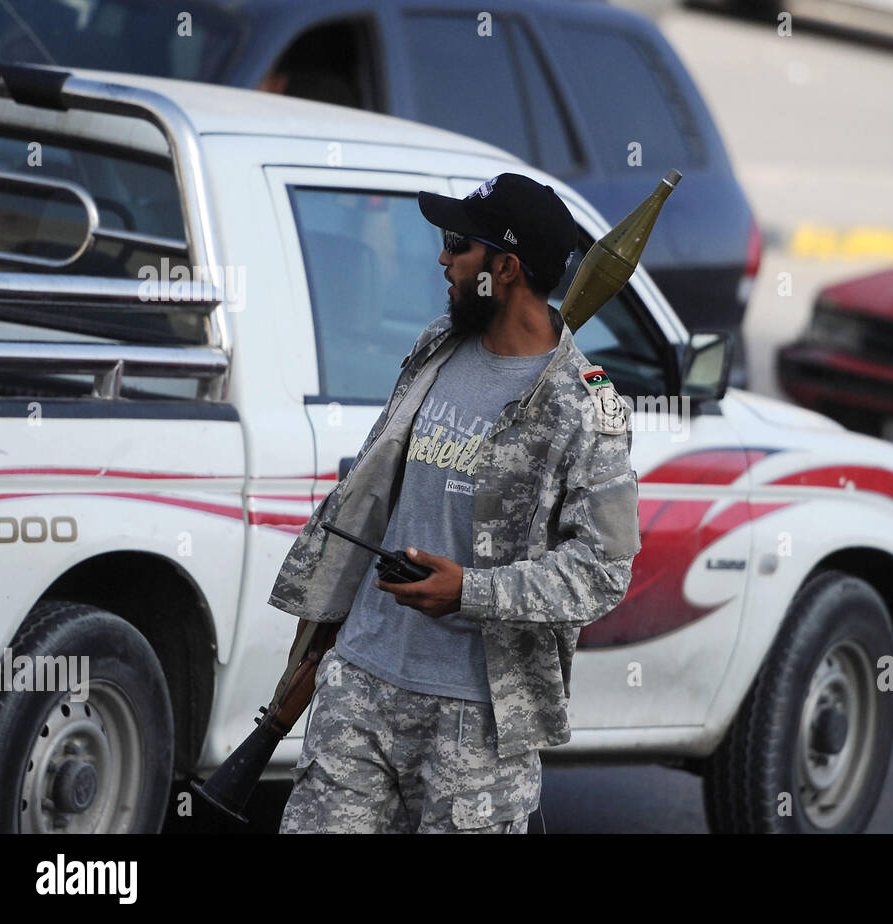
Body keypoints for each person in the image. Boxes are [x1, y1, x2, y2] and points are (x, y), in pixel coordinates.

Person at [268, 173, 641, 832]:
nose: (442, 259)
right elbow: (374, 489)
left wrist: (469, 590)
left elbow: (603, 572)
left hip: (481, 725)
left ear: (507, 267)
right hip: (361, 688)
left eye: (457, 244)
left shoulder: (590, 403)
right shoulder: (436, 346)